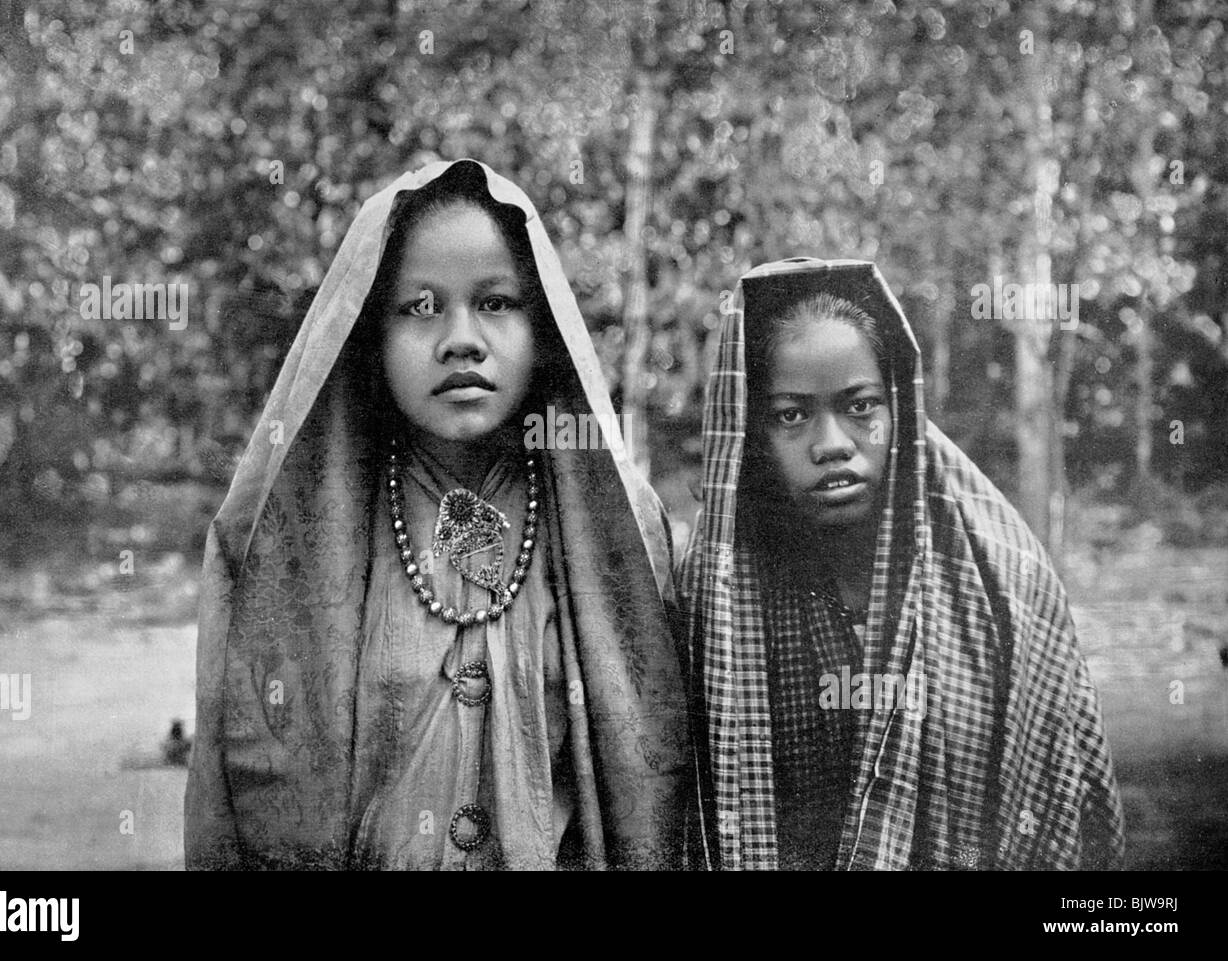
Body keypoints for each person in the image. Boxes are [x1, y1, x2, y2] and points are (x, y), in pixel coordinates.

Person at [185, 159, 693, 870]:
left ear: (541, 325)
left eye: (495, 302)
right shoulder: (287, 536)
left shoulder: (619, 530)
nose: (460, 338)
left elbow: (658, 782)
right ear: (370, 334)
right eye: (420, 307)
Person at [680, 257, 1125, 870]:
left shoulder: (1002, 576)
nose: (832, 443)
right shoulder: (716, 593)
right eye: (791, 414)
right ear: (750, 434)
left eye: (860, 406)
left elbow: (1065, 807)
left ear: (899, 409)